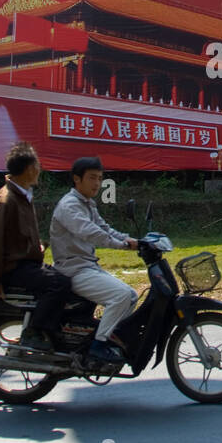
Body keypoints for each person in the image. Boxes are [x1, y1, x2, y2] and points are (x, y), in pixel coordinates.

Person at [0, 142, 69, 353]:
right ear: (29, 169)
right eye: (37, 164)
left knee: (69, 278)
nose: (40, 169)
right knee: (59, 284)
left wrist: (36, 248)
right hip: (14, 270)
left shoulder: (21, 196)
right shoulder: (6, 200)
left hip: (25, 264)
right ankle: (35, 332)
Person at [49, 156, 140, 366]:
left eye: (100, 178)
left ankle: (109, 340)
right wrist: (123, 245)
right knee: (122, 296)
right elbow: (91, 233)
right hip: (73, 269)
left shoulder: (87, 203)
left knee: (131, 296)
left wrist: (131, 240)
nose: (97, 184)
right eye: (92, 178)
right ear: (76, 179)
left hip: (87, 266)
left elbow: (105, 228)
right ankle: (98, 347)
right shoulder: (70, 206)